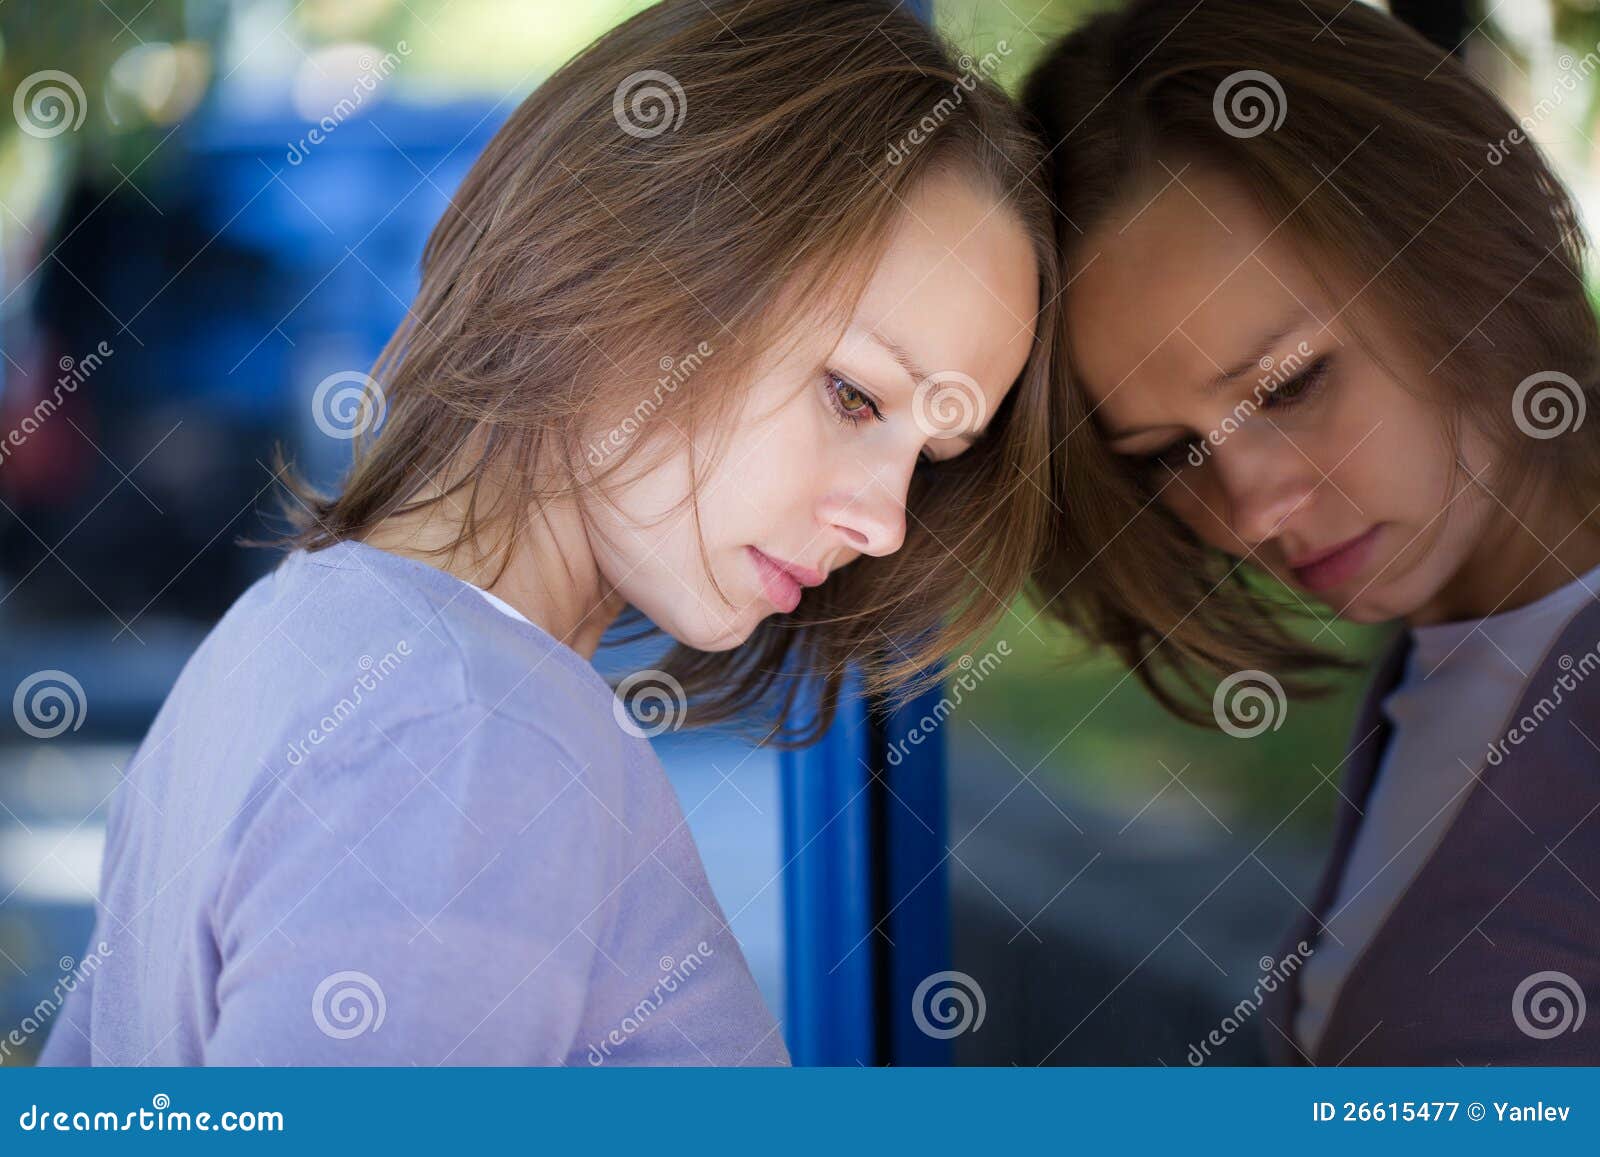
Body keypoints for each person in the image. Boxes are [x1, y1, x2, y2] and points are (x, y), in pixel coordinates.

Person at [38, 0, 1060, 1066]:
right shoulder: (468, 735)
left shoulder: (291, 640)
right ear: (640, 258)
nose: (887, 522)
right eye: (854, 395)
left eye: (928, 458)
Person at [1023, 0, 1600, 1063]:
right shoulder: (1443, 663)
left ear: (1460, 247)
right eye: (1167, 450)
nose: (1249, 507)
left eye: (1288, 385)